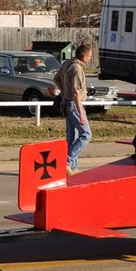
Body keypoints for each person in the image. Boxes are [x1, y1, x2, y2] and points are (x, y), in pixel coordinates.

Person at [55, 43, 93, 174]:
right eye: (89, 56)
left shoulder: (67, 64)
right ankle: (67, 161)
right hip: (73, 105)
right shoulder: (77, 69)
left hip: (66, 103)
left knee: (72, 136)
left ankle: (72, 168)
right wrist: (81, 113)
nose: (90, 59)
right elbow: (76, 93)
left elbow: (56, 79)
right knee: (86, 134)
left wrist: (64, 91)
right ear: (84, 57)